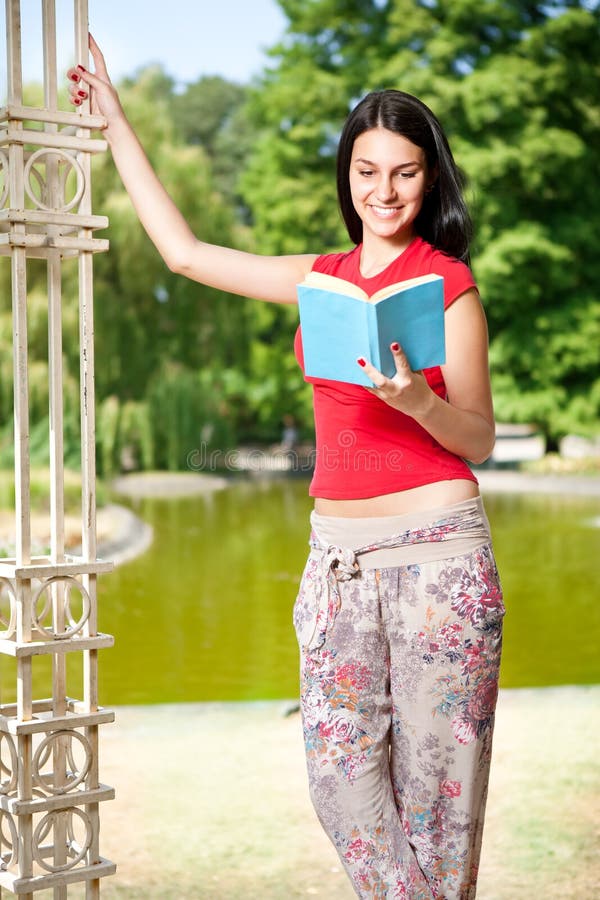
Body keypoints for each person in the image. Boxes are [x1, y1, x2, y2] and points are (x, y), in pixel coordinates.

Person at [70, 36, 504, 900]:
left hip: (440, 565)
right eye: (368, 171)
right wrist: (115, 123)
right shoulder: (320, 278)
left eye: (406, 173)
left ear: (431, 180)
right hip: (338, 564)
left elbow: (480, 437)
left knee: (439, 809)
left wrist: (417, 402)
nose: (385, 192)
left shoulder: (449, 285)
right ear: (347, 176)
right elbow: (186, 255)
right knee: (340, 780)